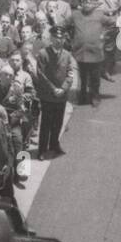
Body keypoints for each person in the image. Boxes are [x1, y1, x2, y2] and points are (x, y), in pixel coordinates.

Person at [34, 27, 75, 159]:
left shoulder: (67, 55)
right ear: (51, 38)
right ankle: (42, 150)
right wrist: (53, 89)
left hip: (61, 96)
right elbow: (41, 74)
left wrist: (63, 88)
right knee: (46, 123)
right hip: (47, 95)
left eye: (61, 38)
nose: (59, 40)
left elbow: (70, 73)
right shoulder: (43, 54)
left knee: (58, 122)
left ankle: (54, 145)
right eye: (56, 37)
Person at [68, 0, 106, 107]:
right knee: (82, 76)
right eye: (84, 2)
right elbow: (63, 25)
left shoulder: (100, 15)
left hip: (95, 52)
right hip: (80, 52)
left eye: (89, 2)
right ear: (81, 4)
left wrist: (105, 35)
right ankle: (82, 95)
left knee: (95, 77)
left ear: (94, 4)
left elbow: (114, 24)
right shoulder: (75, 15)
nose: (87, 5)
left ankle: (95, 96)